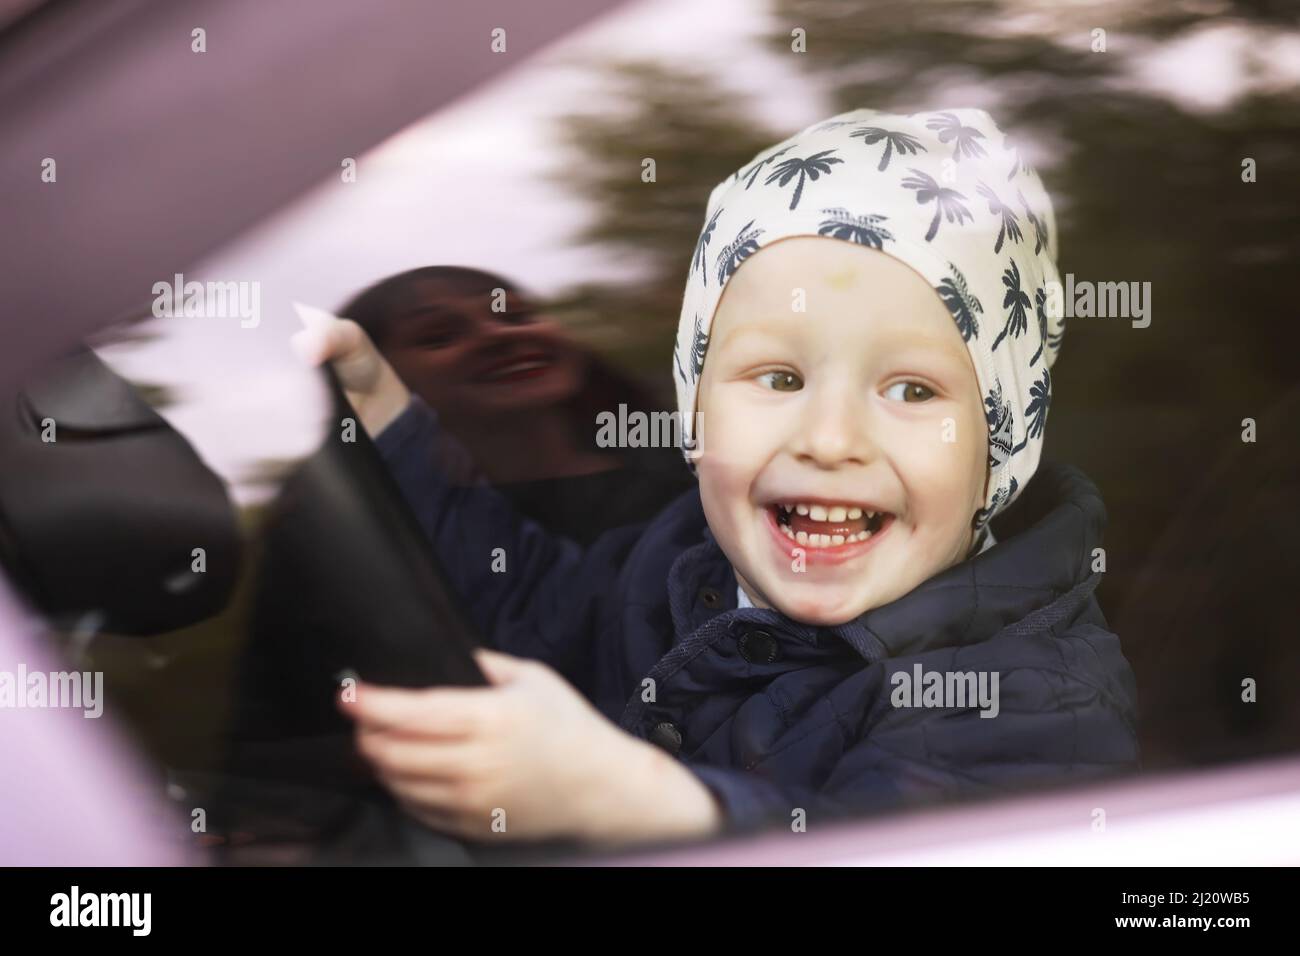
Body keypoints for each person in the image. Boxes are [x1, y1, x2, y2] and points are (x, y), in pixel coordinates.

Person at [294, 107, 1139, 846]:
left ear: (1002, 440)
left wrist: (646, 804)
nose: (830, 439)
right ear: (696, 412)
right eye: (777, 379)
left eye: (911, 390)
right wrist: (388, 411)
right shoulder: (675, 565)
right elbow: (519, 593)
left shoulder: (1030, 692)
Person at [338, 266, 693, 544]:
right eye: (439, 336)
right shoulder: (390, 542)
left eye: (517, 316)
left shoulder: (700, 455)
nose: (500, 334)